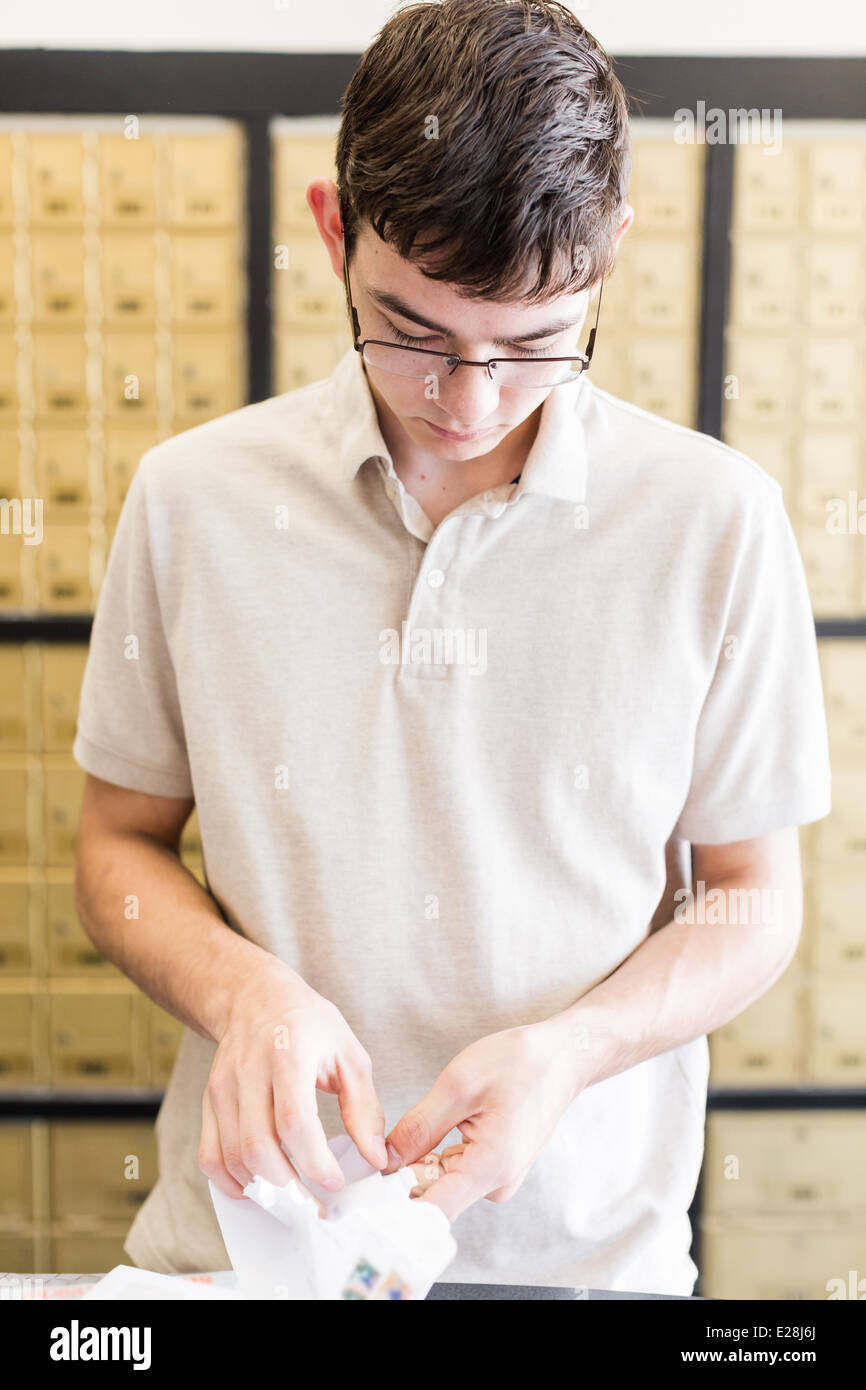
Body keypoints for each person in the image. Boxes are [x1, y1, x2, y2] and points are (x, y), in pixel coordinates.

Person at [73, 0, 831, 1294]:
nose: (467, 402)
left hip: (582, 1264)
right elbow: (115, 845)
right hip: (244, 1254)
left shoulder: (717, 521)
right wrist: (244, 990)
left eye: (535, 345)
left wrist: (573, 1046)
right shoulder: (190, 499)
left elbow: (753, 895)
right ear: (332, 232)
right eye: (414, 332)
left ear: (608, 257)